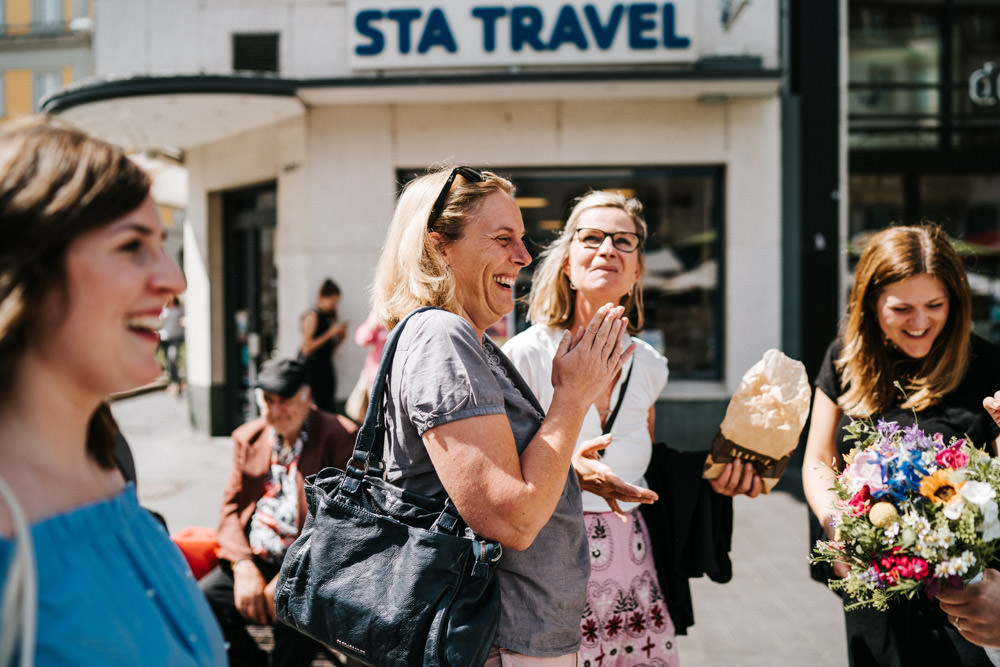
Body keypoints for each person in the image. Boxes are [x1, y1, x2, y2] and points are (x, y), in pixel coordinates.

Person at [372, 165, 634, 665]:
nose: (524, 255)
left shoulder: (459, 336)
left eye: (522, 237)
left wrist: (568, 472)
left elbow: (476, 477)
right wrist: (573, 396)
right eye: (502, 238)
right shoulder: (442, 339)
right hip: (496, 638)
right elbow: (510, 520)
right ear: (439, 248)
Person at [503, 190, 761, 666]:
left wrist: (724, 470)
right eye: (592, 237)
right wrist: (569, 471)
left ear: (639, 268)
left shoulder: (651, 366)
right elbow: (499, 474)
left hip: (631, 561)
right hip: (547, 561)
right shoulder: (524, 356)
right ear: (566, 262)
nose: (608, 250)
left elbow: (649, 460)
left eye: (624, 241)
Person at [0, 121, 226, 665]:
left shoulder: (109, 459)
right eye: (131, 245)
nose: (174, 279)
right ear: (26, 269)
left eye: (162, 245)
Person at [802, 224, 1000, 667]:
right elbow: (817, 459)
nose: (920, 321)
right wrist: (836, 525)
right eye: (901, 308)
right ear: (872, 304)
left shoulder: (988, 366)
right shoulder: (843, 358)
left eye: (935, 305)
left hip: (964, 595)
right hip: (872, 589)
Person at [199, 356, 358, 667]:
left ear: (306, 396)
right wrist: (242, 565)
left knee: (295, 617)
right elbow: (230, 509)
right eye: (268, 401)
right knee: (203, 599)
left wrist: (289, 574)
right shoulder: (249, 438)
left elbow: (341, 521)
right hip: (257, 556)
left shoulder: (339, 435)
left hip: (310, 564)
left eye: (284, 401)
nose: (275, 411)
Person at [299, 278, 346, 412]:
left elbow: (328, 348)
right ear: (322, 297)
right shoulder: (312, 316)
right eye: (332, 302)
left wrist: (340, 338)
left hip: (325, 367)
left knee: (327, 405)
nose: (334, 306)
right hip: (313, 370)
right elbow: (306, 348)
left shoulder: (328, 316)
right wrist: (330, 333)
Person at [159, 294, 185, 395]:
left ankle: (174, 382)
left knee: (172, 358)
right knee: (168, 362)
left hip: (176, 338)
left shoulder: (180, 308)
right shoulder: (163, 309)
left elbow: (184, 319)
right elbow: (159, 321)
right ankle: (173, 382)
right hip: (164, 338)